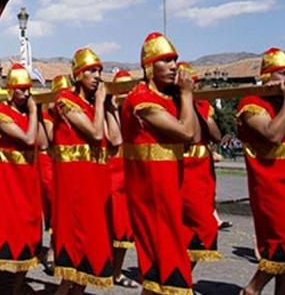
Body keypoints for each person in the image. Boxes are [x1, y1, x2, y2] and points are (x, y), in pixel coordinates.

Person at [121, 32, 198, 295]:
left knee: (163, 270)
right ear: (149, 66)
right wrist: (187, 96)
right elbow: (187, 133)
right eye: (165, 61)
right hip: (151, 195)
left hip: (172, 190)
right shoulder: (141, 99)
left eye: (175, 59)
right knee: (164, 262)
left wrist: (183, 98)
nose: (174, 66)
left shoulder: (170, 98)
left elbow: (195, 136)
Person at [51, 48, 116, 293]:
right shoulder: (65, 100)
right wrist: (100, 102)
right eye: (91, 70)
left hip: (96, 183)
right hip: (76, 186)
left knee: (89, 255)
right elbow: (96, 133)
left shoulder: (93, 107)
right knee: (76, 252)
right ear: (78, 74)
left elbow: (115, 139)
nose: (97, 76)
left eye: (99, 70)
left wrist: (109, 107)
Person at [237, 48, 285, 295]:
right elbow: (273, 135)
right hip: (272, 187)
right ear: (269, 76)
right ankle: (252, 289)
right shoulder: (251, 105)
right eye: (284, 74)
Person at [0, 64, 41, 293]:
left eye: (28, 89)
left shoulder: (25, 114)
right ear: (11, 90)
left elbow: (44, 142)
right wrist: (35, 112)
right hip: (11, 182)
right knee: (9, 231)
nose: (27, 94)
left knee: (30, 232)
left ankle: (17, 287)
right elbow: (29, 140)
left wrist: (32, 114)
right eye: (21, 89)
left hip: (29, 179)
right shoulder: (1, 114)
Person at [177, 62, 223, 266]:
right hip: (185, 168)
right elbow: (190, 136)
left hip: (204, 168)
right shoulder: (174, 104)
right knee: (203, 225)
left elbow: (217, 136)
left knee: (198, 228)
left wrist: (205, 116)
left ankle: (183, 276)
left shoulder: (204, 105)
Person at [106, 70, 138, 288]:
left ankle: (116, 271)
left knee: (126, 229)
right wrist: (112, 107)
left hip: (131, 175)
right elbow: (115, 139)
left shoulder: (137, 111)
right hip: (109, 174)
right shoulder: (108, 109)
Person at [37, 74, 72, 273]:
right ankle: (51, 248)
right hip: (49, 162)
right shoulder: (49, 114)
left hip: (66, 163)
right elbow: (51, 138)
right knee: (53, 204)